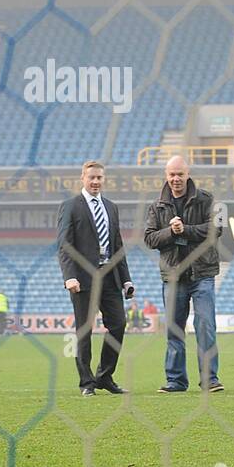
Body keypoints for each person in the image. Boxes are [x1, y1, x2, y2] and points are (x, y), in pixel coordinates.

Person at [143, 155, 223, 393]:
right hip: (173, 276)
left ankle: (210, 379)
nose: (176, 179)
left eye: (180, 174)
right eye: (172, 174)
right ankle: (176, 381)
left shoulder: (208, 199)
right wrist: (170, 231)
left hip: (202, 274)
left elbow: (217, 229)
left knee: (205, 325)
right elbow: (149, 238)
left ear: (188, 174)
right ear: (166, 176)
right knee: (174, 330)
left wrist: (184, 230)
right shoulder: (156, 206)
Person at [56, 160, 134, 396]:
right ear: (83, 178)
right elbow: (64, 245)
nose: (96, 181)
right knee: (85, 330)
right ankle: (86, 382)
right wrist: (70, 276)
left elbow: (117, 245)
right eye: (92, 177)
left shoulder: (111, 207)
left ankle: (104, 376)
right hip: (83, 277)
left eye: (100, 177)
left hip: (109, 276)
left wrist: (127, 280)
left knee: (119, 323)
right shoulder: (70, 206)